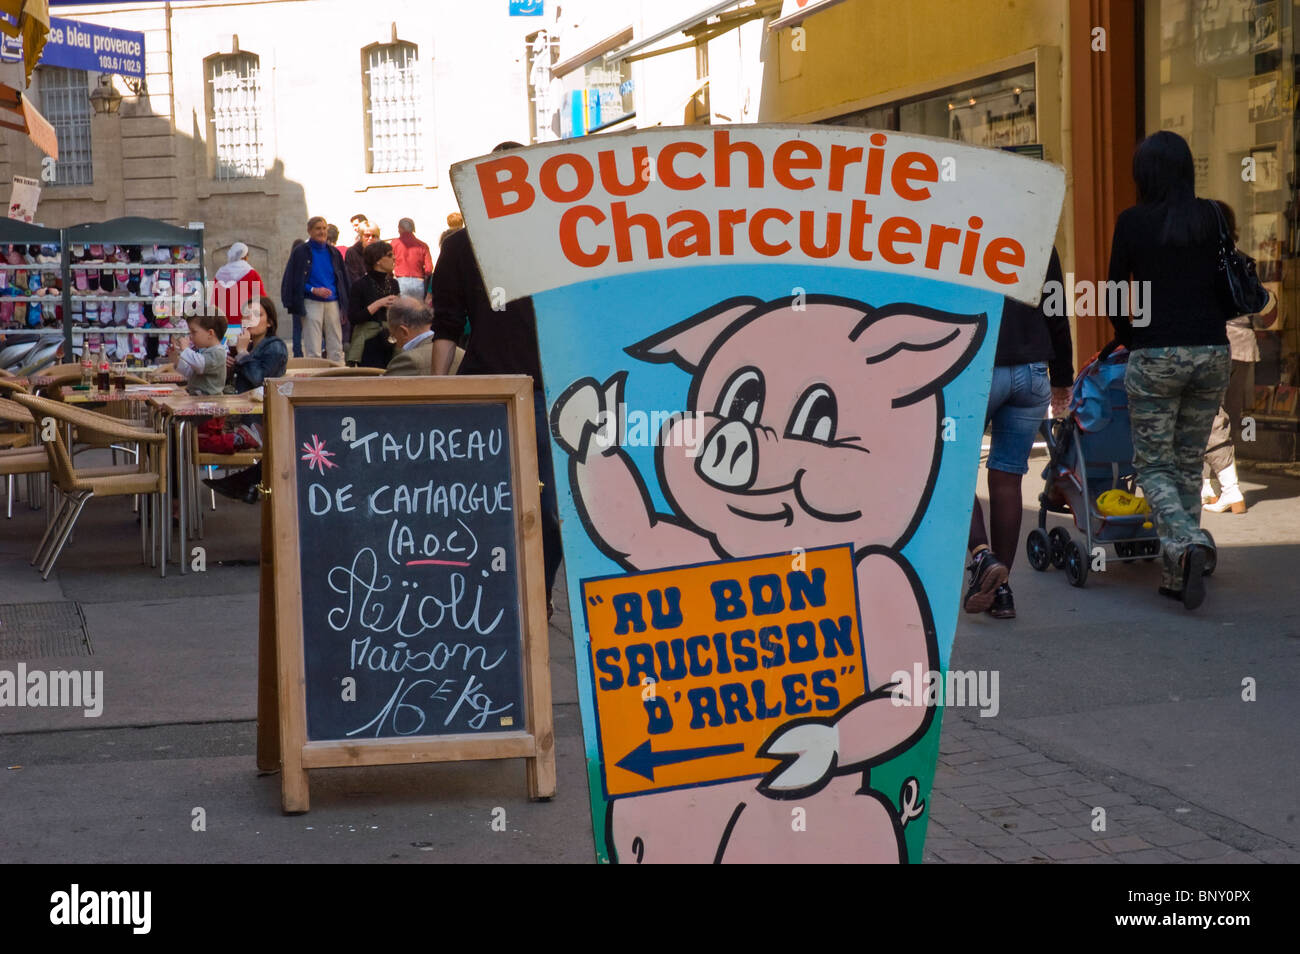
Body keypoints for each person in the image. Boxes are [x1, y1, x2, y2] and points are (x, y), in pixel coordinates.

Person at [430, 141, 563, 618]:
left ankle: (537, 594)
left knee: (551, 504)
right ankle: (493, 593)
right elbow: (446, 324)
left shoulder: (559, 235)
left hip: (548, 389)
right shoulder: (464, 245)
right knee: (484, 500)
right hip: (490, 388)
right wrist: (438, 391)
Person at [1106, 130, 1232, 611]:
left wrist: (1131, 337)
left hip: (1157, 354)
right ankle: (1178, 575)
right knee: (1186, 462)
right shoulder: (1213, 216)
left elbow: (1117, 289)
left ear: (1144, 173)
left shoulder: (1132, 222)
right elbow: (1225, 281)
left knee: (1154, 464)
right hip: (1212, 352)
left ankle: (1186, 541)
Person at [964, 247, 1073, 619]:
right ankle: (1003, 591)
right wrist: (1062, 377)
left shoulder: (958, 220)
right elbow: (1055, 306)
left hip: (975, 363)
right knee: (1008, 477)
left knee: (952, 473)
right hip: (1032, 371)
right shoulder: (1035, 223)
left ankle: (982, 557)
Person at [1201, 201, 1261, 515]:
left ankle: (1230, 490)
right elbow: (1263, 306)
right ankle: (1206, 486)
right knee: (1225, 418)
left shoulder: (1207, 260)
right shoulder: (1242, 260)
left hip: (1219, 342)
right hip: (1246, 344)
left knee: (1208, 414)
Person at [198, 297, 287, 455]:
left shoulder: (275, 347)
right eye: (246, 316)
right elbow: (232, 383)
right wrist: (228, 368)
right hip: (232, 411)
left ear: (269, 323)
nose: (249, 320)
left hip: (257, 419)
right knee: (191, 434)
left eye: (256, 315)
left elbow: (260, 380)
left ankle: (243, 442)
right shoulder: (249, 346)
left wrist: (242, 353)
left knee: (197, 437)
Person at [283, 216, 348, 363]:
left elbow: (342, 279)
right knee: (313, 348)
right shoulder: (300, 252)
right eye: (318, 228)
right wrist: (313, 290)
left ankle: (339, 376)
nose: (322, 231)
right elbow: (294, 279)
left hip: (333, 303)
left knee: (336, 346)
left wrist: (344, 304)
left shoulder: (334, 252)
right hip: (311, 302)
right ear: (309, 231)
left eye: (324, 228)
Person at [347, 241, 399, 368]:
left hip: (391, 339)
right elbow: (354, 317)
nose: (394, 258)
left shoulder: (393, 283)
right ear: (378, 261)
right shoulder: (360, 285)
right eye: (389, 255)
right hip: (369, 343)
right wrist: (378, 304)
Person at [170, 313, 228, 396]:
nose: (190, 336)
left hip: (211, 401)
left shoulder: (218, 353)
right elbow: (190, 372)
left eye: (194, 332)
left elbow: (199, 365)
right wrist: (176, 359)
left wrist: (185, 349)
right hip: (198, 399)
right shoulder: (204, 352)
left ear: (210, 333)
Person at [210, 241, 264, 327]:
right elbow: (261, 298)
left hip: (223, 321)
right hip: (245, 319)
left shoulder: (220, 273)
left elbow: (214, 299)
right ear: (245, 256)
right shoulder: (251, 273)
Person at [384, 297, 436, 375]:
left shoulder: (407, 360)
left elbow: (387, 386)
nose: (395, 343)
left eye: (393, 337)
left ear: (403, 332)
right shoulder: (458, 351)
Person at [392, 217, 434, 301]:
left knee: (402, 310)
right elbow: (429, 269)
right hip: (418, 282)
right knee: (417, 310)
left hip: (400, 281)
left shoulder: (394, 243)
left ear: (401, 228)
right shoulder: (422, 245)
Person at [281, 237, 306, 357]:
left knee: (297, 329)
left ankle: (297, 353)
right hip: (306, 299)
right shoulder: (304, 263)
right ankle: (321, 349)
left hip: (296, 301)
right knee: (314, 328)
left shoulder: (291, 264)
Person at [345, 220, 380, 287]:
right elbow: (354, 278)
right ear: (361, 237)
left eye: (374, 236)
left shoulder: (380, 252)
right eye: (367, 235)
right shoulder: (352, 252)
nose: (370, 238)